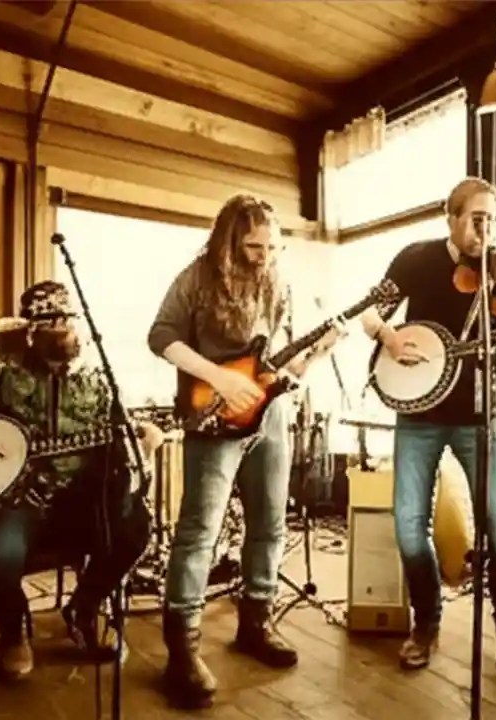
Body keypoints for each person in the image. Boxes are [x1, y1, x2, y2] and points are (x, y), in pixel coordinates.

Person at [356, 177, 496, 688]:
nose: (486, 227)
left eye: (493, 218)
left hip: (481, 417)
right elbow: (370, 311)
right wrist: (388, 337)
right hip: (418, 415)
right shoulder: (414, 258)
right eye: (476, 217)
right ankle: (427, 621)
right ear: (451, 216)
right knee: (409, 524)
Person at [147, 194, 339, 709]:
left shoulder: (280, 282)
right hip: (212, 416)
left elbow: (282, 361)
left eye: (273, 246)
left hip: (269, 415)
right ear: (230, 241)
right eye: (254, 246)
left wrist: (314, 358)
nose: (265, 256)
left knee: (271, 522)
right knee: (198, 533)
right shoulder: (196, 277)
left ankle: (256, 622)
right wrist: (217, 381)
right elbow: (159, 335)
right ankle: (182, 652)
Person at [0, 280, 162, 680]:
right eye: (52, 322)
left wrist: (145, 438)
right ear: (31, 330)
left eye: (69, 320)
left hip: (82, 501)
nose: (64, 329)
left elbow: (126, 430)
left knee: (136, 528)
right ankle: (14, 632)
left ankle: (83, 610)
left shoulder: (97, 379)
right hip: (19, 502)